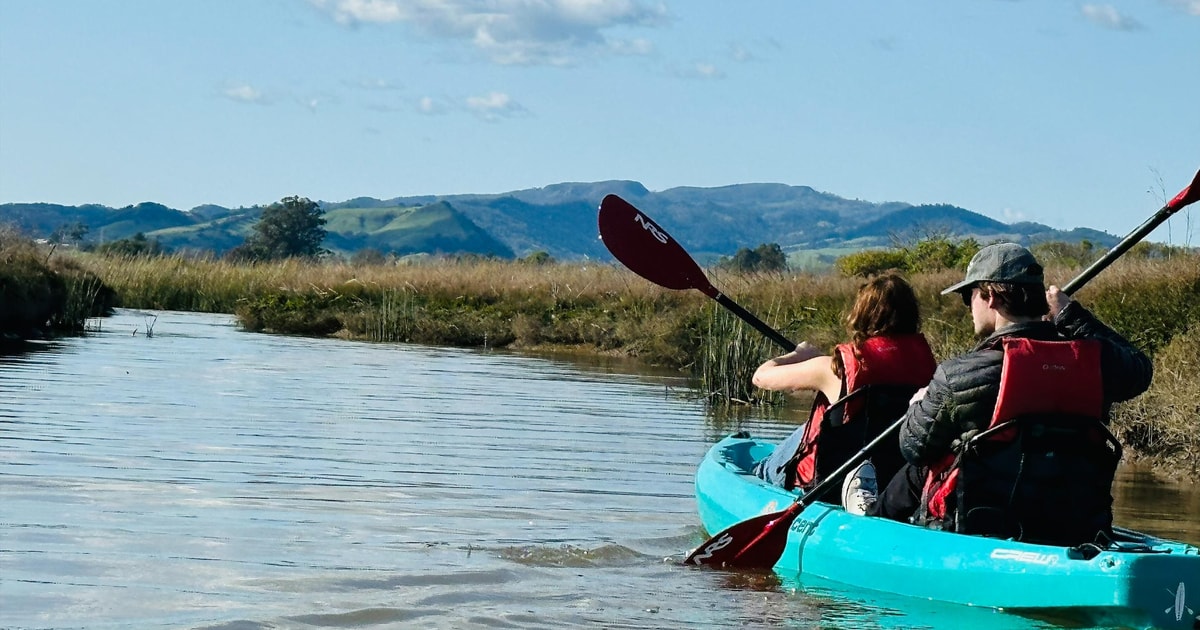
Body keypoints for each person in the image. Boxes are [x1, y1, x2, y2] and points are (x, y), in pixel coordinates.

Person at [873, 243, 1152, 546]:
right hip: (1076, 528)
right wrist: (1071, 314)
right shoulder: (1093, 363)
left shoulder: (958, 374)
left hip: (982, 530)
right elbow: (1139, 369)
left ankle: (871, 532)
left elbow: (914, 448)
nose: (969, 307)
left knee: (919, 468)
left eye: (970, 296)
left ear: (990, 296)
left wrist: (917, 405)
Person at [751, 273, 938, 515]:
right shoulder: (928, 368)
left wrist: (799, 354)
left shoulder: (832, 368)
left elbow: (761, 377)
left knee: (764, 468)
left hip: (824, 483)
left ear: (862, 314)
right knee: (808, 428)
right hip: (890, 480)